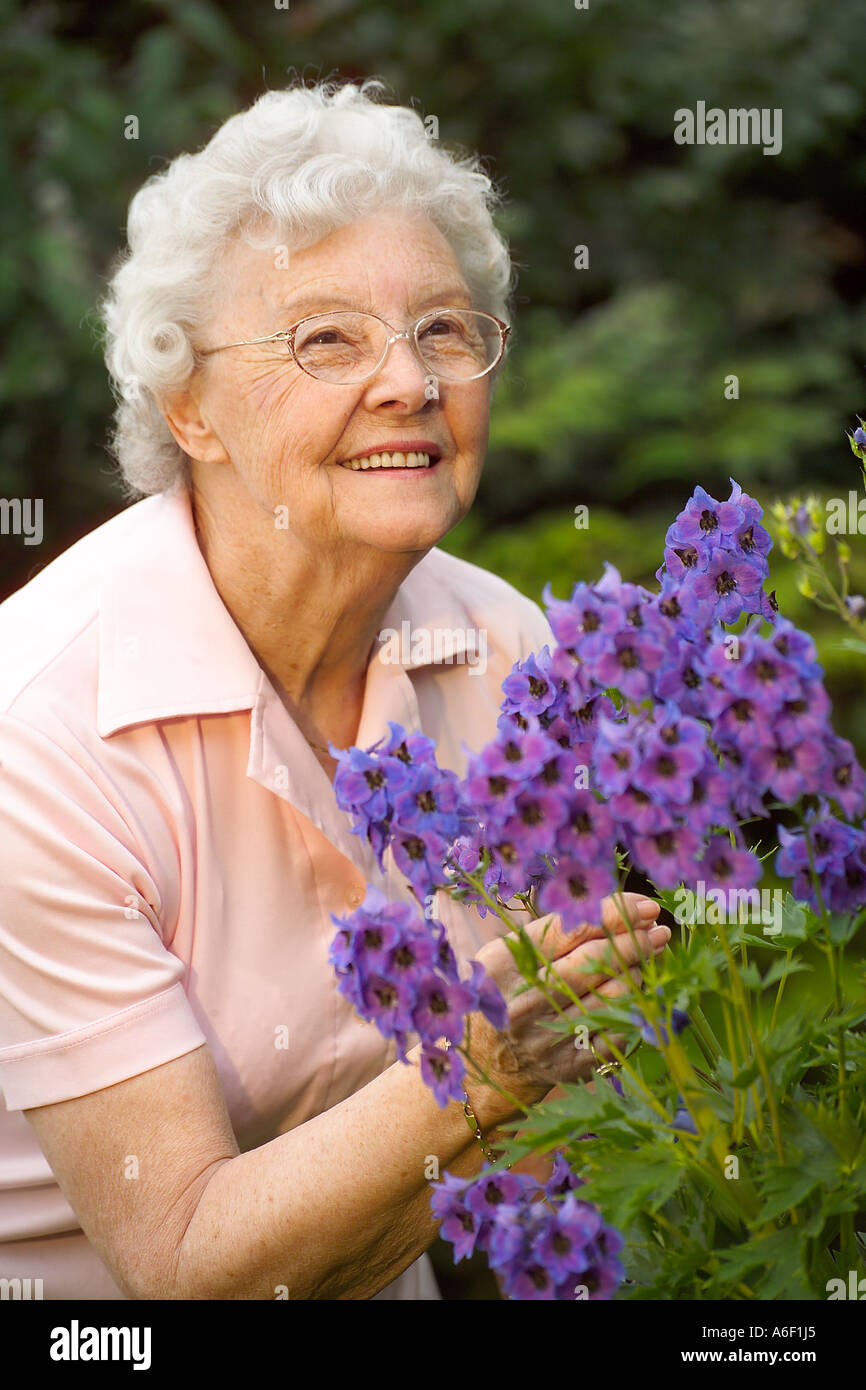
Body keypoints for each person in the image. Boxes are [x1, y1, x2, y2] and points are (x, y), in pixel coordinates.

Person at [0, 79, 669, 1300]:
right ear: (189, 406)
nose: (409, 382)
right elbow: (183, 1262)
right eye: (327, 339)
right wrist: (485, 1064)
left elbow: (580, 1104)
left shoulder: (503, 647)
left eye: (445, 332)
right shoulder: (34, 732)